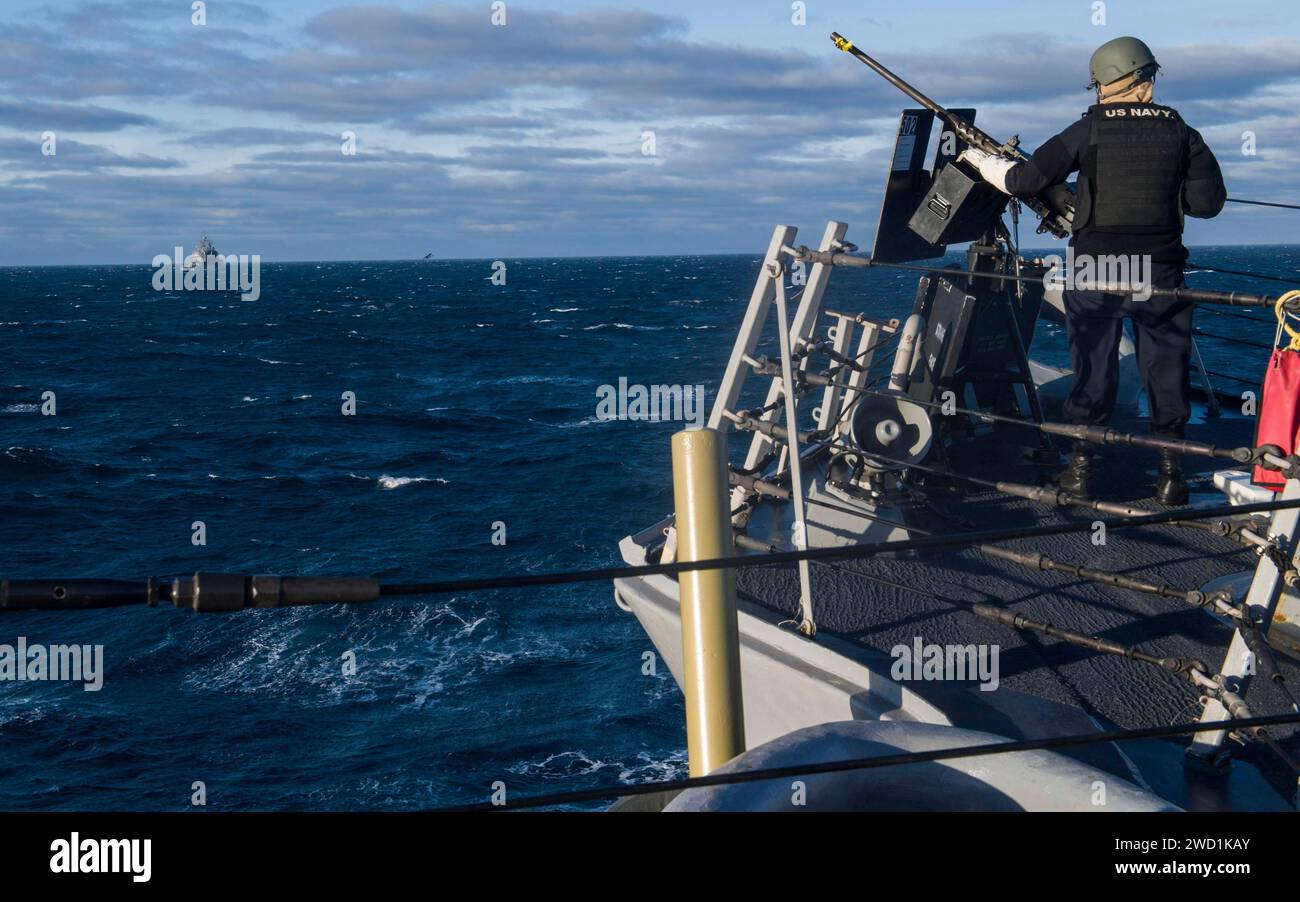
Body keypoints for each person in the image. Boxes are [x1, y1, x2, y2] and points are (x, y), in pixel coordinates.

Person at [959, 36, 1226, 502]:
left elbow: (1024, 180)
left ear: (1102, 84)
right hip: (1159, 271)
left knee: (1093, 367)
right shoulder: (1182, 131)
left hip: (1098, 268)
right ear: (1146, 78)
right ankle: (1171, 476)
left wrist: (982, 161)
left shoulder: (1088, 130)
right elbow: (1207, 205)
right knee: (1166, 367)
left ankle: (1081, 471)